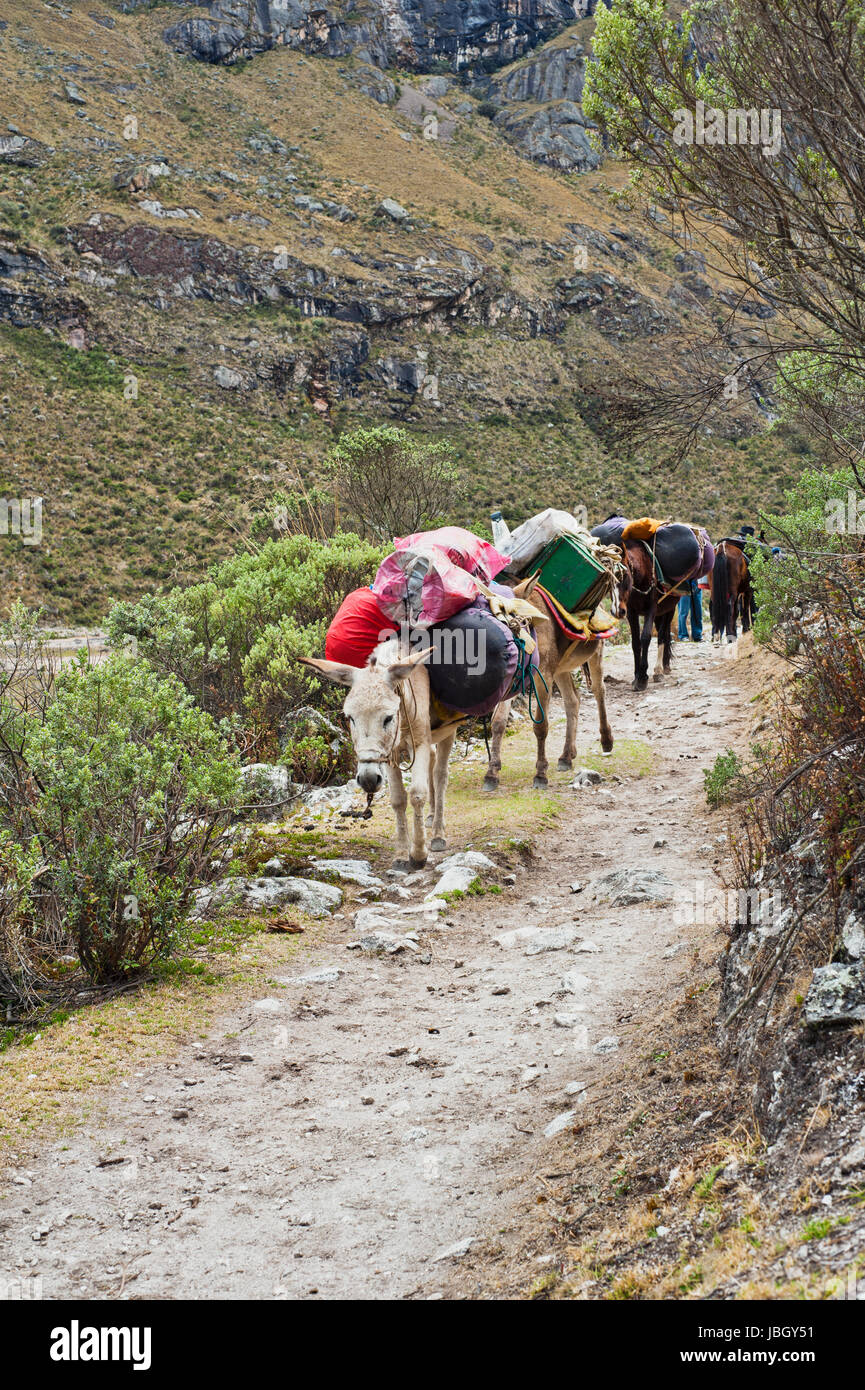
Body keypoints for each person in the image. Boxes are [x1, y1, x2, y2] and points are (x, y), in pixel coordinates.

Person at [678, 576, 703, 642]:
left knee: (698, 611)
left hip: (696, 582)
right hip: (683, 583)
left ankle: (697, 636)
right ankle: (683, 635)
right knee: (683, 612)